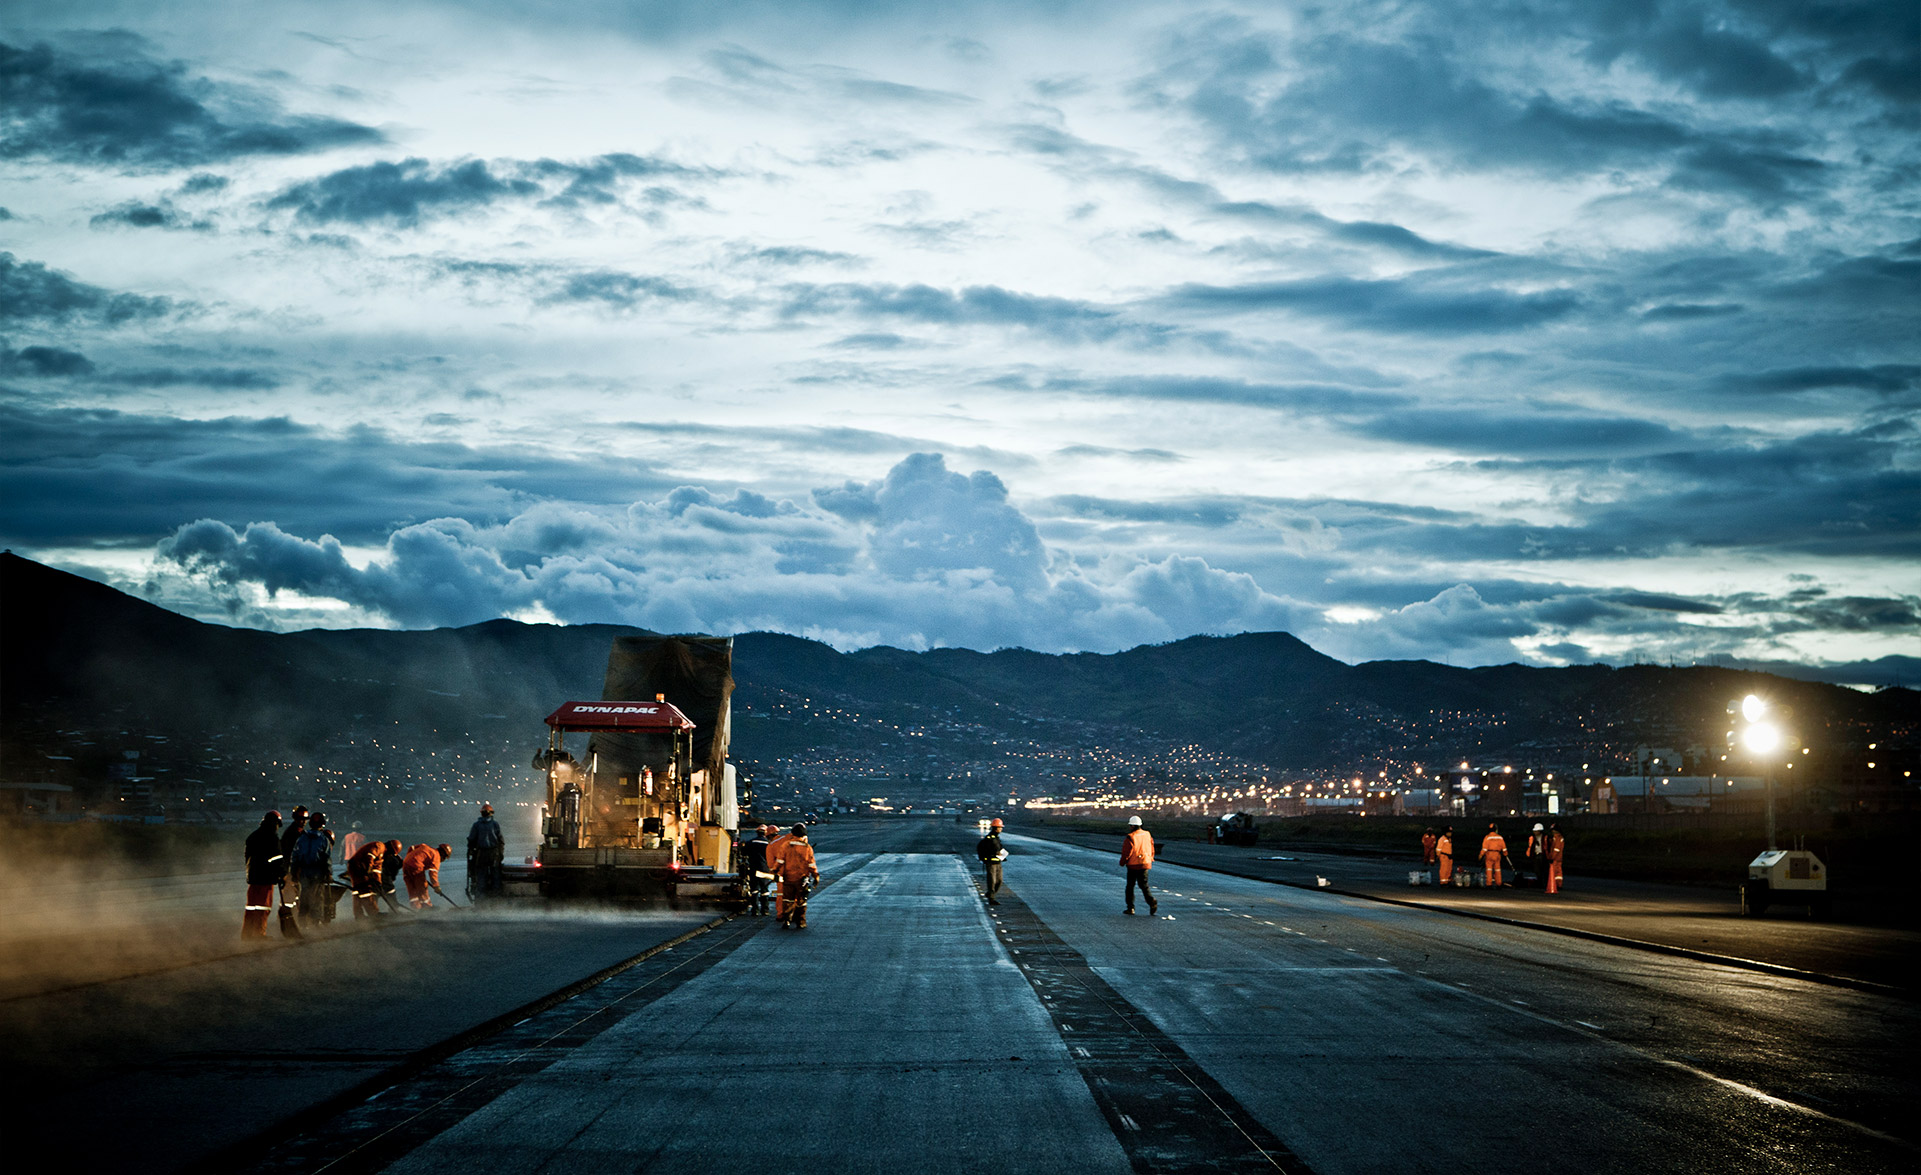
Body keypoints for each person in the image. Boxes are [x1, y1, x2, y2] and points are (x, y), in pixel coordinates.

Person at [242, 810, 284, 939]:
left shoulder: (253, 836)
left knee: (251, 907)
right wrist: (282, 875)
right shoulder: (272, 837)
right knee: (262, 907)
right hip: (266, 878)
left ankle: (247, 933)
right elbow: (277, 859)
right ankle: (259, 933)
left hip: (253, 877)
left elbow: (247, 857)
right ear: (275, 823)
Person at [292, 811, 336, 924]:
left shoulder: (302, 838)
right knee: (317, 897)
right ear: (322, 825)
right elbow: (326, 858)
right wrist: (329, 873)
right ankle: (315, 923)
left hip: (304, 872)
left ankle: (302, 921)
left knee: (304, 895)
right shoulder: (323, 839)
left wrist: (294, 873)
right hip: (317, 873)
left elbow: (295, 856)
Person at [773, 823, 819, 928]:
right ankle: (800, 922)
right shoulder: (807, 848)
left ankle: (787, 920)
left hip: (788, 878)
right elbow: (811, 864)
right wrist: (816, 876)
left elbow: (779, 861)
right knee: (801, 901)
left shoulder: (785, 845)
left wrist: (775, 872)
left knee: (787, 900)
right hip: (802, 879)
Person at [276, 806, 309, 929]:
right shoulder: (292, 833)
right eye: (301, 818)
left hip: (297, 871)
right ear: (295, 818)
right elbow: (288, 853)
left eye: (305, 819)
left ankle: (294, 921)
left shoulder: (299, 832)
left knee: (296, 898)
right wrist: (287, 872)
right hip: (291, 871)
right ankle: (285, 921)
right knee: (289, 898)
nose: (303, 821)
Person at [1121, 815, 1157, 916]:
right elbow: (1152, 847)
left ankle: (1130, 908)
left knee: (1130, 887)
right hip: (1145, 863)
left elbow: (1126, 852)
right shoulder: (1147, 834)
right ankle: (1151, 901)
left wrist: (1123, 862)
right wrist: (1150, 858)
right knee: (1144, 885)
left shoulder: (1130, 837)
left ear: (1132, 826)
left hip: (1133, 865)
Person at [467, 802, 504, 899]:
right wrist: (500, 853)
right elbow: (500, 840)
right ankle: (496, 898)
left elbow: (471, 840)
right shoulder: (495, 824)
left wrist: (471, 851)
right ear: (491, 813)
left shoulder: (477, 825)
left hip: (482, 854)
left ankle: (481, 900)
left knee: (481, 877)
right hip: (493, 853)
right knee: (495, 876)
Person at [346, 840, 386, 919]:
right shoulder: (379, 846)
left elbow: (377, 870)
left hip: (357, 866)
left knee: (357, 892)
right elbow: (370, 856)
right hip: (358, 867)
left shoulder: (381, 855)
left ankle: (358, 915)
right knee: (365, 890)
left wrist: (378, 883)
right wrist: (369, 869)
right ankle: (373, 914)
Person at [402, 843, 450, 907]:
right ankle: (427, 906)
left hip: (406, 863)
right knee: (422, 886)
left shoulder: (425, 846)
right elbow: (433, 873)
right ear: (443, 854)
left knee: (412, 886)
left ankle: (416, 907)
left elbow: (411, 848)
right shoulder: (436, 856)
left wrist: (409, 858)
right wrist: (436, 886)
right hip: (416, 866)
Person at [741, 825, 774, 915]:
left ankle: (755, 910)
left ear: (757, 832)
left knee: (754, 889)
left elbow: (743, 853)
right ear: (766, 833)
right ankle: (765, 910)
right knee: (764, 890)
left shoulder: (750, 842)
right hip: (764, 870)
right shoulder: (768, 844)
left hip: (753, 869)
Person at [976, 818, 1007, 905]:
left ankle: (990, 894)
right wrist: (988, 856)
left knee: (999, 881)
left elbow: (999, 848)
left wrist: (1003, 855)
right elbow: (985, 849)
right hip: (991, 863)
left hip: (998, 862)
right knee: (992, 881)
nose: (1001, 829)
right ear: (996, 828)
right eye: (1000, 827)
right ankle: (991, 898)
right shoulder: (989, 839)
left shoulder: (996, 838)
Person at [1481, 822, 1509, 888]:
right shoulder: (1500, 838)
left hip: (1489, 854)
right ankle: (1498, 883)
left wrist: (1481, 855)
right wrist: (1505, 854)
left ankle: (1489, 884)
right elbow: (1504, 848)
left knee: (1489, 869)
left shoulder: (1487, 837)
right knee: (1497, 869)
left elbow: (1484, 848)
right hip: (1497, 854)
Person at [1524, 823, 1549, 888]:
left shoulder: (1545, 838)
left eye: (1536, 831)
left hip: (1543, 855)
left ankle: (1544, 883)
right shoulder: (1532, 838)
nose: (1534, 832)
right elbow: (1530, 847)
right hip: (1535, 855)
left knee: (1543, 870)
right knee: (1537, 870)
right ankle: (1540, 883)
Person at [1546, 824, 1565, 894]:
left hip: (1555, 858)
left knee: (1555, 871)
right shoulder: (1558, 838)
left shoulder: (1557, 838)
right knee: (1558, 872)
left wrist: (1551, 857)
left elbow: (1556, 849)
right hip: (1558, 857)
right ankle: (1558, 884)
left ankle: (1556, 884)